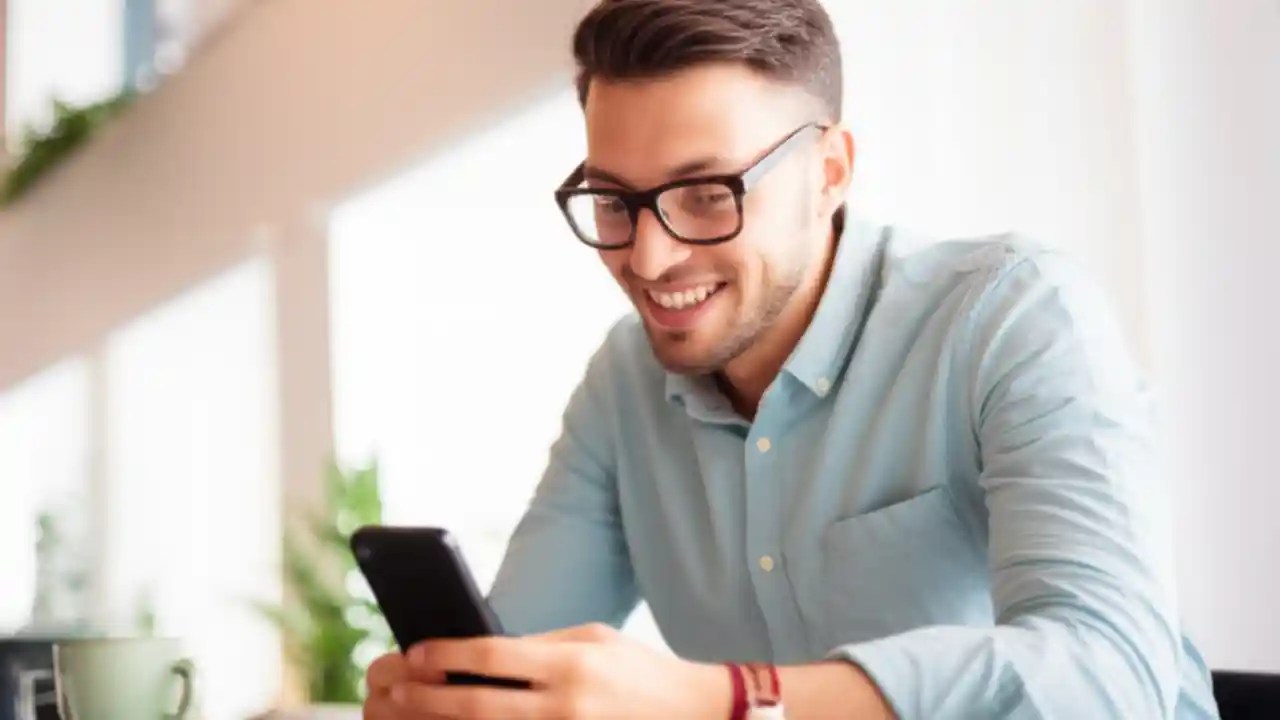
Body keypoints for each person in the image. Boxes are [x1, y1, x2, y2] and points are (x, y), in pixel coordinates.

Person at [363, 0, 1221, 717]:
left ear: (830, 170)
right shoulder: (625, 381)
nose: (651, 261)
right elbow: (523, 656)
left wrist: (729, 699)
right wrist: (459, 695)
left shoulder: (1015, 314)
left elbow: (1113, 674)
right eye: (614, 201)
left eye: (708, 196)